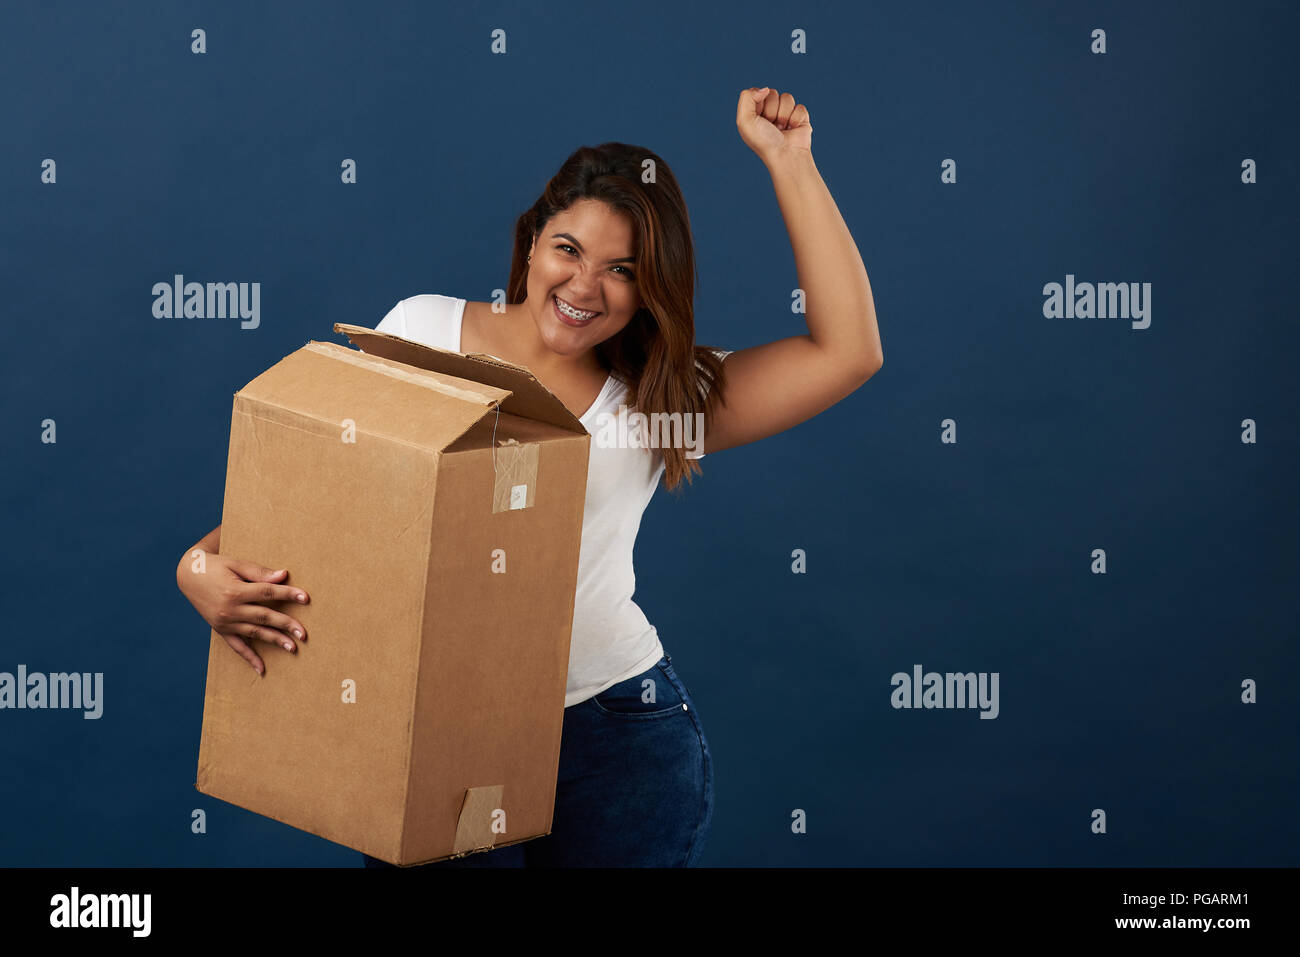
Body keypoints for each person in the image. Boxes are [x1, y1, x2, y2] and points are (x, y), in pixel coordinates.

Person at [175, 87, 882, 867]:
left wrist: (790, 161)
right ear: (532, 241)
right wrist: (196, 567)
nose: (585, 287)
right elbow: (320, 501)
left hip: (617, 737)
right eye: (570, 249)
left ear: (651, 289)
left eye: (623, 269)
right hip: (437, 731)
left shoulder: (660, 396)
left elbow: (847, 353)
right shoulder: (423, 332)